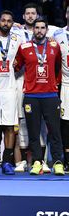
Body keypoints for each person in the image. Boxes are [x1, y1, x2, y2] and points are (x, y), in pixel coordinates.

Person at [14, 18, 65, 176]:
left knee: (55, 131)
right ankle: (37, 162)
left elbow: (58, 66)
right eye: (37, 28)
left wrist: (53, 84)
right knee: (33, 132)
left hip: (50, 95)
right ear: (33, 30)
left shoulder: (54, 46)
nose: (39, 31)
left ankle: (57, 162)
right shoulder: (24, 47)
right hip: (31, 95)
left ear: (47, 29)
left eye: (43, 28)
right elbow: (16, 66)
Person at [0, 10, 23, 175]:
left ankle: (7, 162)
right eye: (3, 20)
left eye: (9, 21)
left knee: (9, 126)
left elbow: (38, 37)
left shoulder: (18, 38)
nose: (6, 23)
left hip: (9, 88)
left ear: (13, 23)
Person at [53, 6, 69, 172]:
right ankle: (66, 159)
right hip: (66, 85)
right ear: (66, 14)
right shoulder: (57, 34)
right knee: (65, 124)